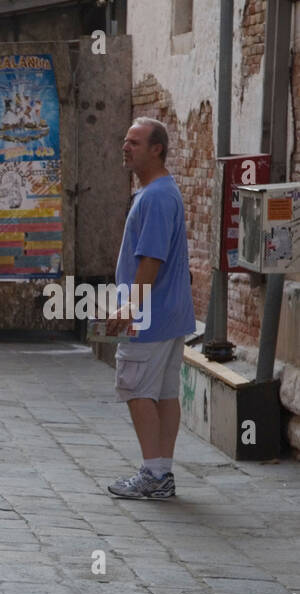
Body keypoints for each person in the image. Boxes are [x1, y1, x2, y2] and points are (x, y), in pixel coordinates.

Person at [105, 118, 195, 500]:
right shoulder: (160, 192)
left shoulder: (157, 196)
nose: (126, 147)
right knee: (163, 393)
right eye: (125, 140)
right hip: (170, 314)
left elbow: (151, 259)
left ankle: (154, 474)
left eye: (135, 142)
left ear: (156, 149)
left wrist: (129, 307)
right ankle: (162, 473)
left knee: (136, 388)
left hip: (149, 316)